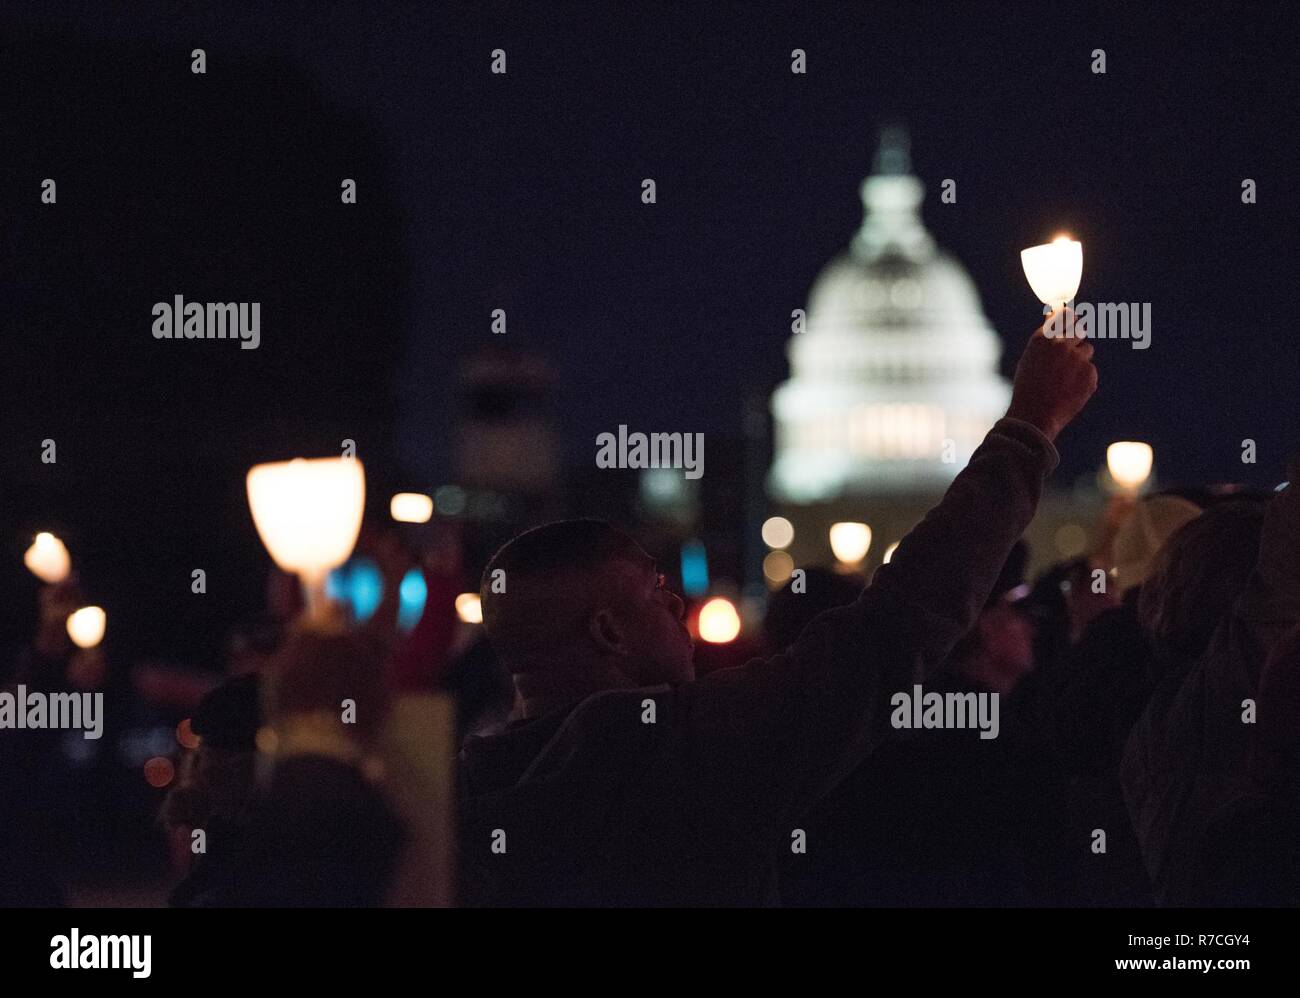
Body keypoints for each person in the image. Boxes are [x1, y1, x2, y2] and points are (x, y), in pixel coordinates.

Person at [457, 310, 1098, 906]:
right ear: (607, 631)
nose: (677, 602)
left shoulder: (455, 801)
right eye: (655, 591)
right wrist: (1026, 430)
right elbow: (894, 626)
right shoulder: (681, 751)